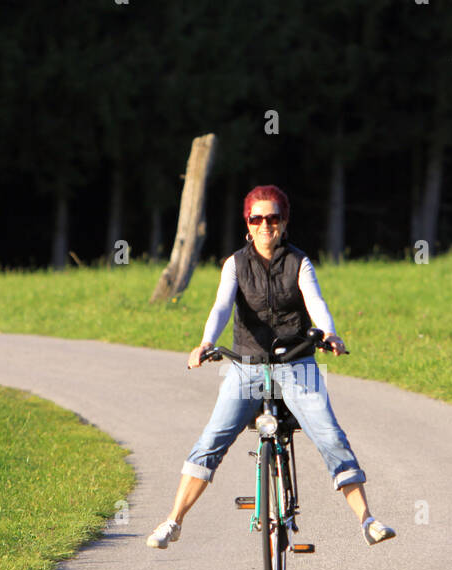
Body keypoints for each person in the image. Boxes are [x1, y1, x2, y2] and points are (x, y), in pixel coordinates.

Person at [147, 184, 396, 549]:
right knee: (212, 439)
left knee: (329, 435)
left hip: (297, 363)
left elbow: (316, 301)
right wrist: (205, 342)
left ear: (284, 222)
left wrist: (330, 333)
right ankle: (173, 522)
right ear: (247, 224)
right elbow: (221, 307)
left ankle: (367, 521)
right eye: (257, 218)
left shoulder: (299, 262)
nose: (266, 225)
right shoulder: (235, 264)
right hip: (247, 366)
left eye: (273, 217)